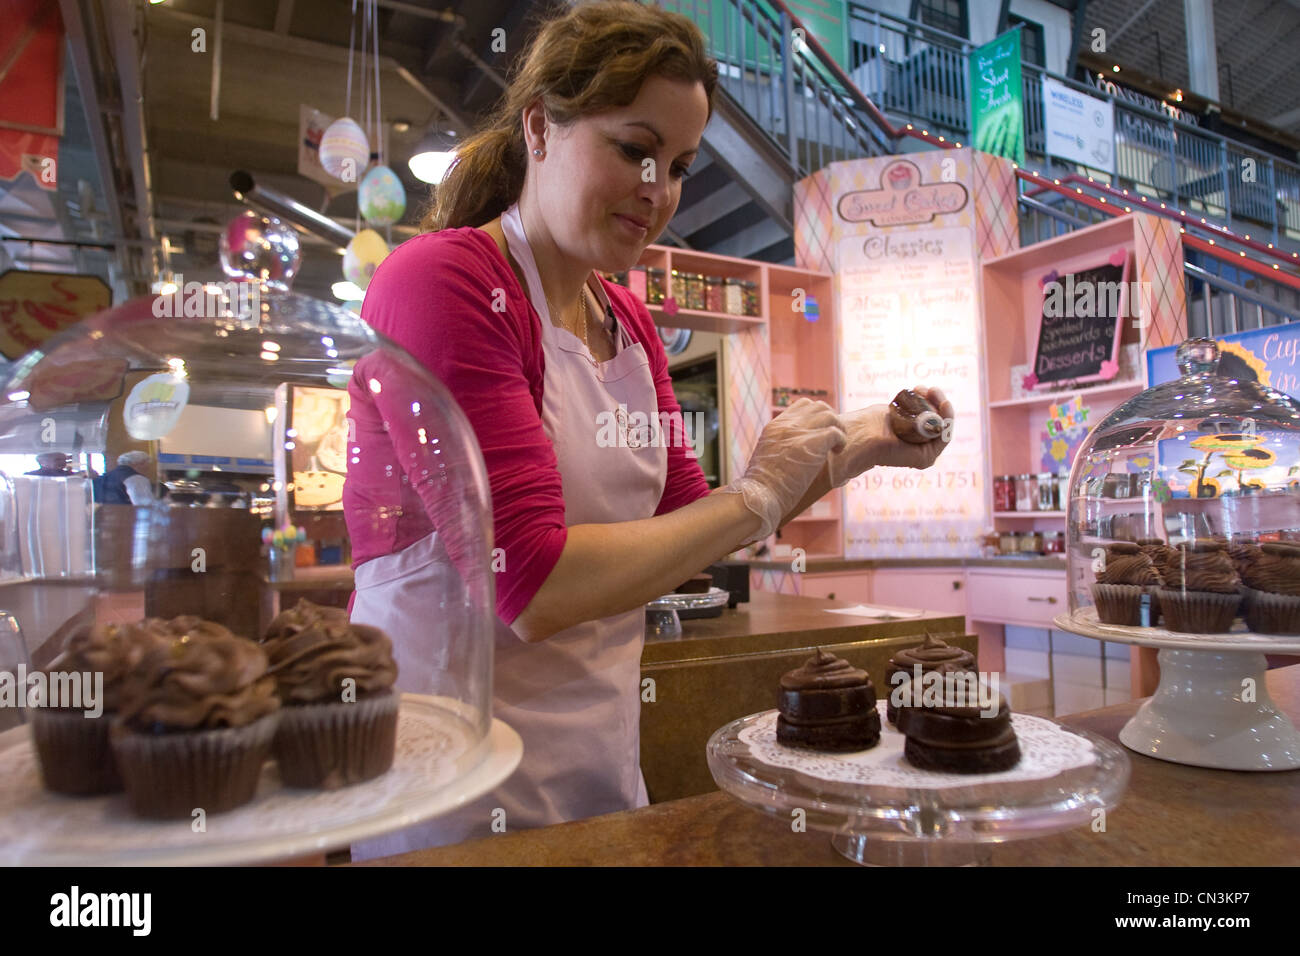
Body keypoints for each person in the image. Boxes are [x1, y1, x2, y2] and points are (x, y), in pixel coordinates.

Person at [346, 0, 953, 856]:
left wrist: (866, 443)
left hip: (594, 761)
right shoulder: (441, 285)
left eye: (679, 166)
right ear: (541, 129)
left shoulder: (626, 324)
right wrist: (755, 496)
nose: (657, 189)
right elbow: (534, 585)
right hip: (449, 786)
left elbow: (692, 526)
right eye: (634, 149)